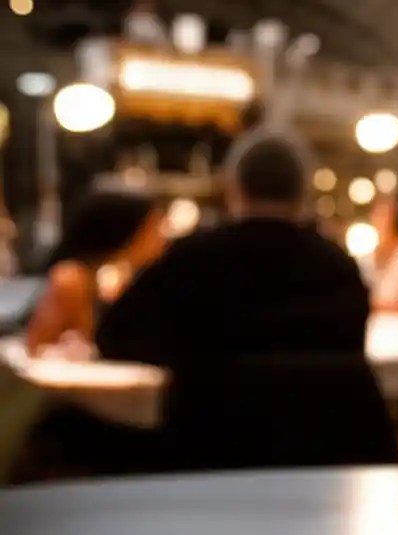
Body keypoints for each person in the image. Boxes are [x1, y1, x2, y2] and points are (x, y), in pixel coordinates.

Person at [96, 131, 369, 368]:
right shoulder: (339, 270)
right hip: (316, 427)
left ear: (233, 187)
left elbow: (113, 337)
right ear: (304, 191)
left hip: (206, 426)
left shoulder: (189, 260)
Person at [26, 191, 165, 355]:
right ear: (125, 230)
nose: (162, 238)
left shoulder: (104, 278)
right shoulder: (70, 279)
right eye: (153, 228)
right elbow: (36, 349)